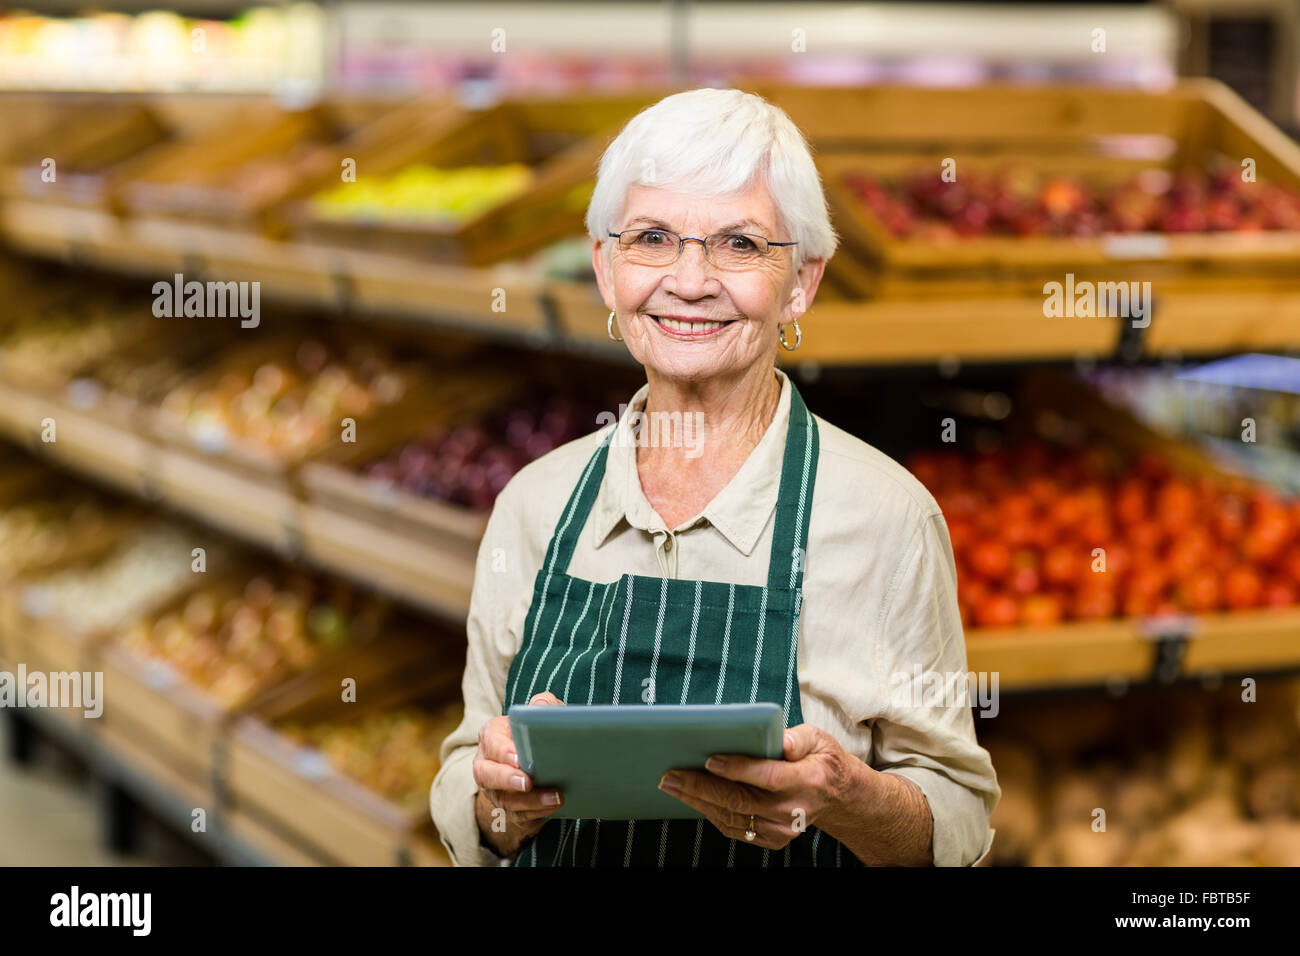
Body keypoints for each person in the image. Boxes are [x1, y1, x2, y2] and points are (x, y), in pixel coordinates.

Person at [431, 87, 999, 866]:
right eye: (654, 238)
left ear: (801, 282)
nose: (690, 280)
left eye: (738, 244)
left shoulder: (887, 517)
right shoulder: (536, 504)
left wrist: (849, 798)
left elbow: (958, 817)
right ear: (605, 268)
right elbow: (466, 769)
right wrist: (496, 802)